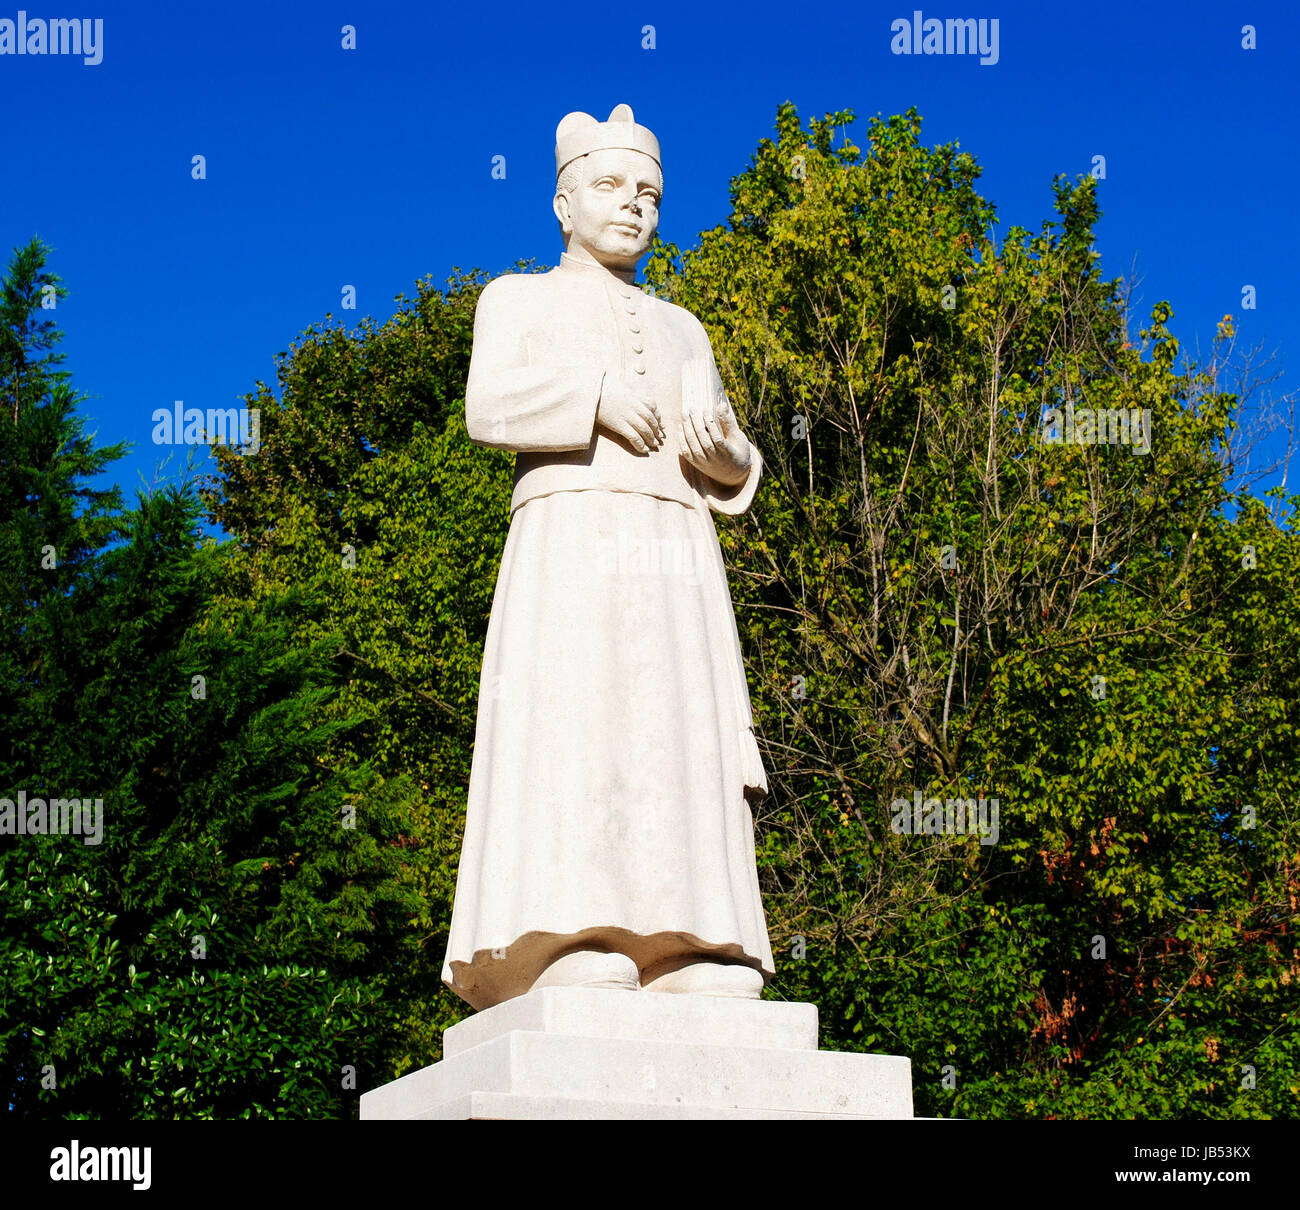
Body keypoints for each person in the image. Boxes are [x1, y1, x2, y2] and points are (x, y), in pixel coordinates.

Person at [442, 104, 775, 1011]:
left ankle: (686, 939)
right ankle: (568, 932)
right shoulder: (517, 298)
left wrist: (727, 458)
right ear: (562, 202)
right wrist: (590, 399)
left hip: (674, 550)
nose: (632, 206)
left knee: (673, 728)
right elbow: (486, 407)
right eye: (609, 186)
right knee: (577, 721)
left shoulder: (685, 328)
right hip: (571, 539)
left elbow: (732, 452)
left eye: (649, 194)